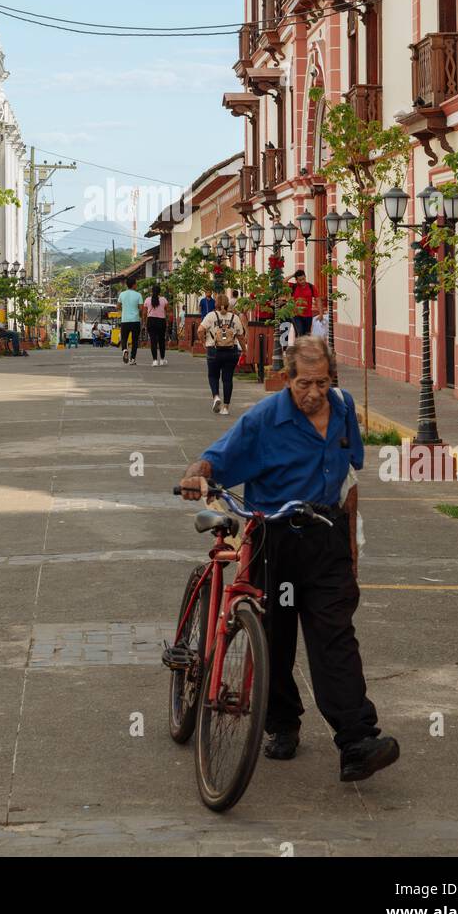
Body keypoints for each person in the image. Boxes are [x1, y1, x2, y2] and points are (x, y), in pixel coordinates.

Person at [178, 336, 399, 784]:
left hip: (327, 539)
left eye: (321, 382)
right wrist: (194, 475)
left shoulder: (342, 409)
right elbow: (216, 458)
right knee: (275, 638)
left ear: (332, 378)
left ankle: (356, 741)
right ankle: (282, 723)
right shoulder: (264, 419)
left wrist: (352, 550)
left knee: (335, 639)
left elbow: (348, 479)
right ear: (287, 378)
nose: (313, 393)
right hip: (275, 540)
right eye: (303, 383)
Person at [198, 291, 245, 417]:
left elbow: (200, 330)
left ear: (216, 304)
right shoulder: (235, 318)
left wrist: (203, 342)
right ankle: (226, 407)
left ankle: (216, 396)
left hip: (214, 350)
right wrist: (244, 350)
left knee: (213, 376)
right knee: (227, 379)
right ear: (227, 304)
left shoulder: (210, 316)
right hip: (231, 351)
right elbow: (240, 336)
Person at [118, 275, 143, 365]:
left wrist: (125, 309)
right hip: (135, 321)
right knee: (135, 340)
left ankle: (125, 349)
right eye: (136, 284)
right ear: (133, 285)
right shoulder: (138, 295)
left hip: (125, 320)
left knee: (124, 338)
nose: (136, 285)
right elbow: (141, 308)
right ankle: (132, 359)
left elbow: (118, 306)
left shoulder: (122, 294)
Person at [143, 283, 169, 366]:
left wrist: (144, 321)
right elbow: (167, 311)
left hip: (151, 321)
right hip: (161, 321)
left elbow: (144, 312)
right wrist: (167, 321)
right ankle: (162, 359)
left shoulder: (147, 300)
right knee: (161, 340)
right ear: (159, 292)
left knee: (153, 341)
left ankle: (154, 360)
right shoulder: (164, 300)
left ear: (151, 291)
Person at [289, 269, 317, 336]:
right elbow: (283, 282)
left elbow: (318, 299)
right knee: (300, 332)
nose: (302, 281)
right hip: (296, 314)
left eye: (303, 279)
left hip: (308, 315)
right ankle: (300, 345)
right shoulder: (294, 286)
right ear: (296, 280)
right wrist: (293, 275)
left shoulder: (311, 287)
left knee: (307, 334)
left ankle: (302, 346)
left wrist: (321, 313)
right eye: (300, 280)